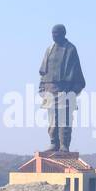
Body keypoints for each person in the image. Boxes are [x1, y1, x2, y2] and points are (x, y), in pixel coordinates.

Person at [38, 24, 85, 152]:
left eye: (56, 33)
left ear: (63, 34)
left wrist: (73, 91)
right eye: (52, 33)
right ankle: (53, 142)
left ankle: (64, 144)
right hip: (49, 89)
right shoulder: (49, 49)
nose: (54, 36)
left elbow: (77, 74)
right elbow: (43, 72)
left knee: (65, 119)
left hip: (65, 89)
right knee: (52, 119)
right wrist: (42, 87)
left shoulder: (70, 49)